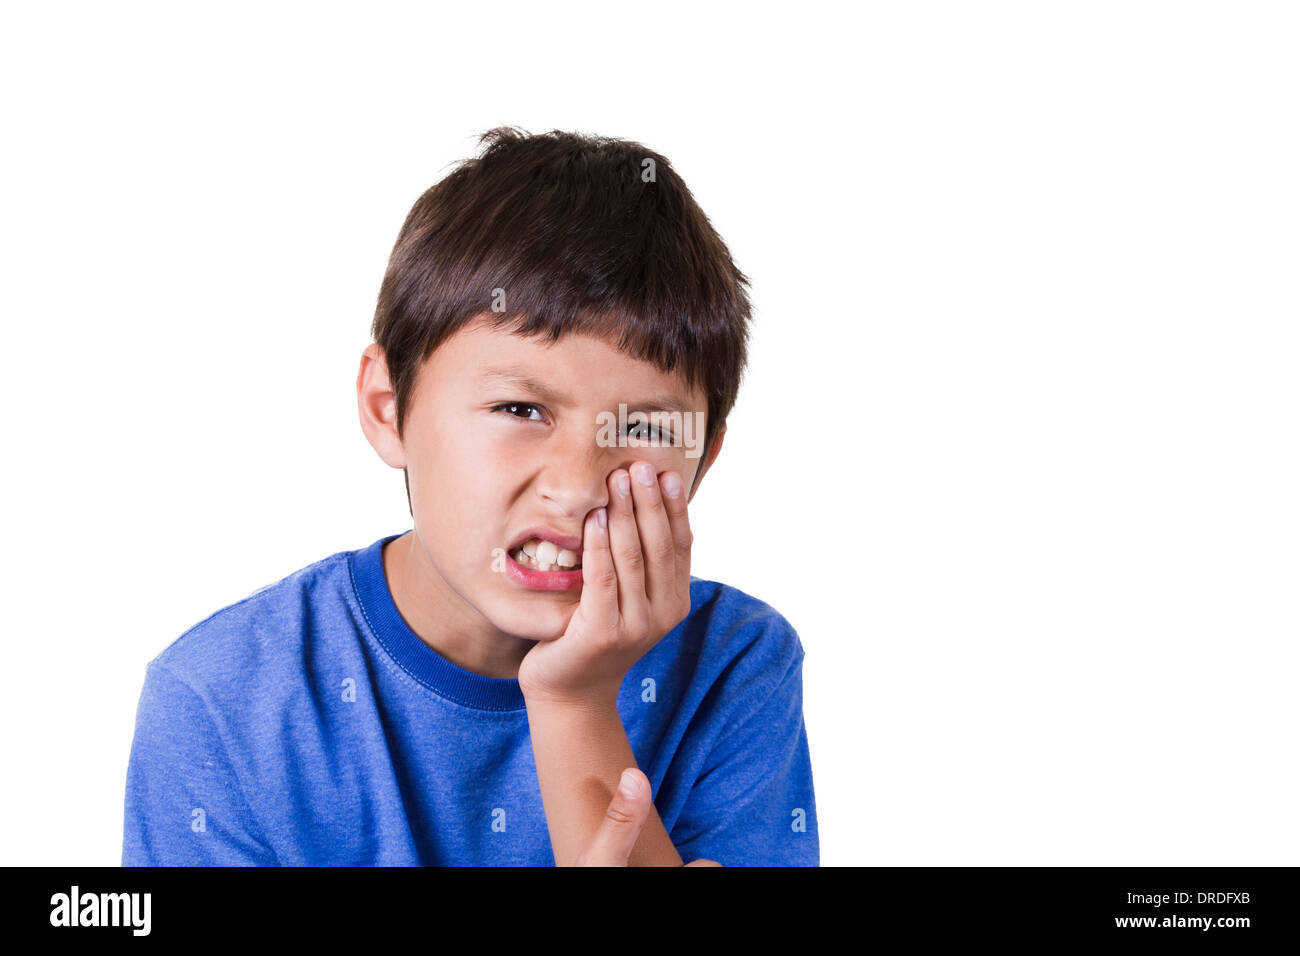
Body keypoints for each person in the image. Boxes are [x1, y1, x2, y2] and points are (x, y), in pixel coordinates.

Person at [122, 128, 818, 866]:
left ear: (703, 459)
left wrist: (575, 702)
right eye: (521, 410)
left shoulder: (736, 664)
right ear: (388, 407)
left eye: (642, 426)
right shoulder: (221, 700)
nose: (578, 486)